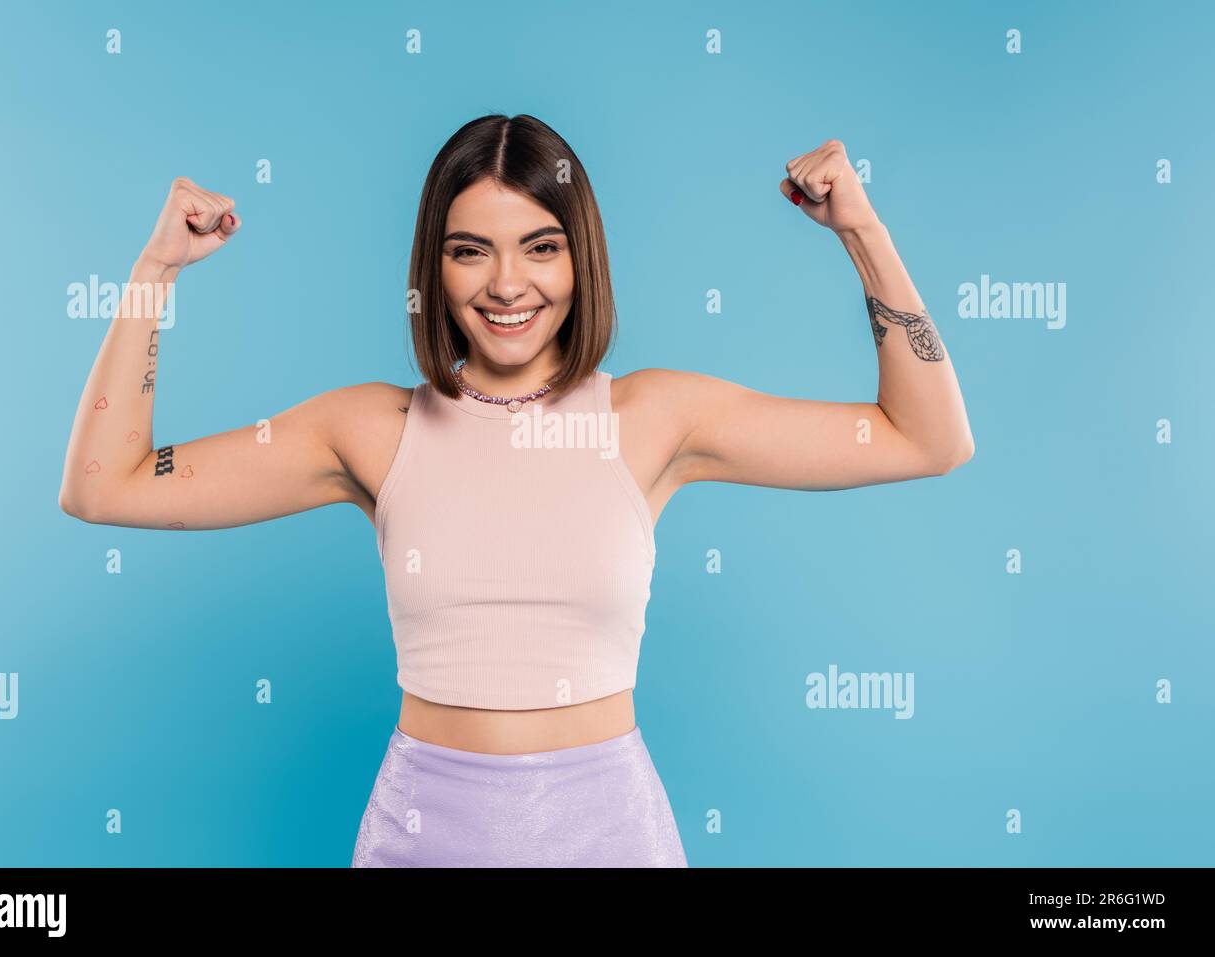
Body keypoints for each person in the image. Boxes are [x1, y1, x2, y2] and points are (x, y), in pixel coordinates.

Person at [58, 114, 974, 867]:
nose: (507, 284)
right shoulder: (371, 430)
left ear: (581, 259)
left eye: (540, 246)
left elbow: (925, 437)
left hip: (610, 838)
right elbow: (106, 486)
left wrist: (862, 232)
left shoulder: (653, 418)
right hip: (421, 838)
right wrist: (153, 275)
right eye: (470, 251)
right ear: (435, 267)